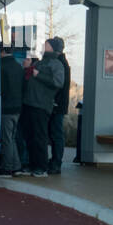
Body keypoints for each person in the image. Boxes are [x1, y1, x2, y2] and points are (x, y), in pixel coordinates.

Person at [20, 42, 64, 177]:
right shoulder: (40, 62)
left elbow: (58, 82)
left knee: (40, 137)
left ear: (53, 48)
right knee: (30, 136)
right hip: (29, 103)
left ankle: (41, 167)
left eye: (47, 44)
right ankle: (31, 165)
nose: (44, 46)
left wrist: (38, 74)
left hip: (41, 105)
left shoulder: (56, 64)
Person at [0, 43, 24, 176]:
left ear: (1, 51)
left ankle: (7, 167)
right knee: (12, 137)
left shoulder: (1, 67)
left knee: (6, 139)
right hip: (17, 108)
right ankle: (16, 166)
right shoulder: (18, 66)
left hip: (5, 108)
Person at [46, 36, 71, 174]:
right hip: (59, 105)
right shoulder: (63, 62)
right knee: (56, 133)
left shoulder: (58, 63)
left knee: (56, 134)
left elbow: (57, 85)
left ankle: (56, 163)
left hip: (56, 105)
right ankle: (55, 161)